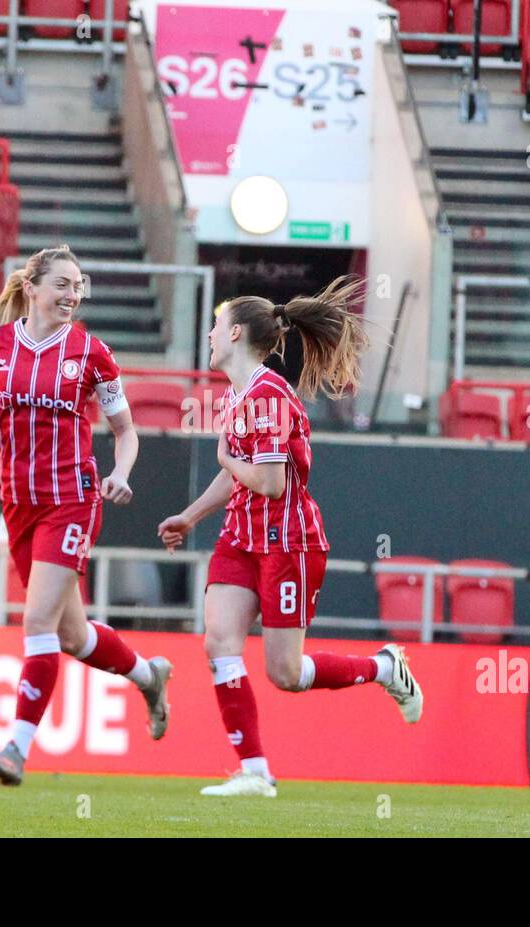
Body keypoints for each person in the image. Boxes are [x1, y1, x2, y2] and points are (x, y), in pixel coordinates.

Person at [157, 277, 424, 798]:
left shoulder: (270, 395)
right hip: (241, 534)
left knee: (285, 672)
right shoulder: (239, 396)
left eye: (214, 326)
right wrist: (191, 517)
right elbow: (239, 473)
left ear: (235, 333)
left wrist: (226, 459)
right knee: (219, 642)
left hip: (287, 540)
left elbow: (271, 481)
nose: (208, 334)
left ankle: (384, 667)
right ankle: (254, 770)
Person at [0, 245, 172, 787]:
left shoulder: (91, 353)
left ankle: (16, 749)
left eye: (78, 286)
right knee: (70, 634)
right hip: (18, 502)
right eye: (63, 285)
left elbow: (126, 431)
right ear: (33, 287)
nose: (73, 295)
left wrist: (121, 471)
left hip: (72, 498)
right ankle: (148, 675)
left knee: (37, 622)